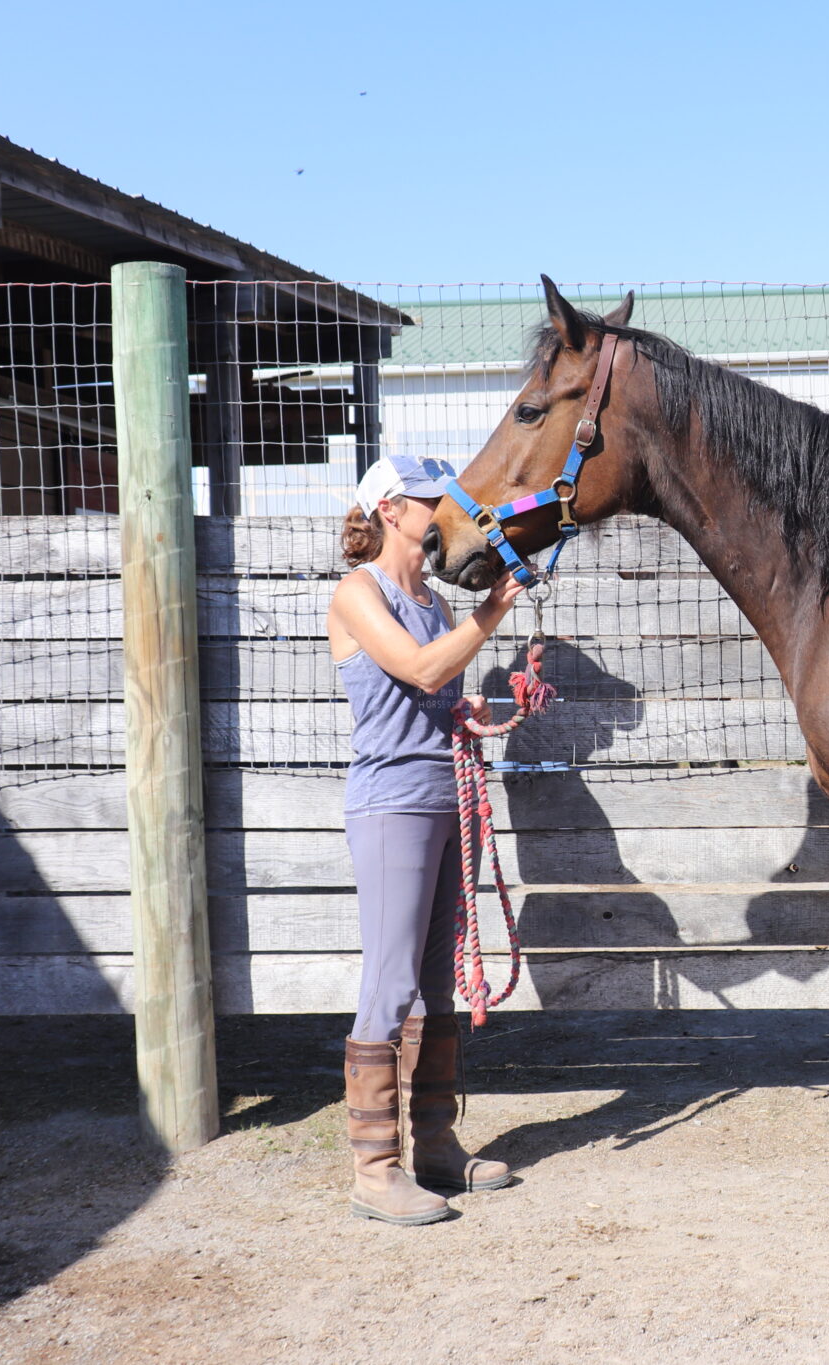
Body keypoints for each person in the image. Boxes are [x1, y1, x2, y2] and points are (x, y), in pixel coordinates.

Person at [328, 454, 524, 1225]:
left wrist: (470, 712)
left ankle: (435, 1145)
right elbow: (416, 669)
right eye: (428, 497)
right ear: (389, 508)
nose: (442, 507)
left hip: (444, 799)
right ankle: (374, 1169)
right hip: (392, 807)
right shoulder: (358, 593)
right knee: (391, 982)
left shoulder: (435, 604)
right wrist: (491, 617)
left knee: (437, 984)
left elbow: (438, 688)